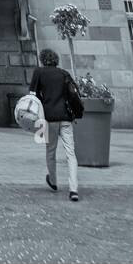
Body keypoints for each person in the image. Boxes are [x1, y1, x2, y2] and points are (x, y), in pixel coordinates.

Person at [30, 48, 82, 201]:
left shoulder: (39, 72)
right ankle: (73, 189)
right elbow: (72, 94)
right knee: (71, 154)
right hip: (66, 117)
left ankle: (53, 181)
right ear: (56, 60)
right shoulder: (63, 73)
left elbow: (32, 94)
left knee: (50, 151)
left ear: (42, 59)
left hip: (48, 117)